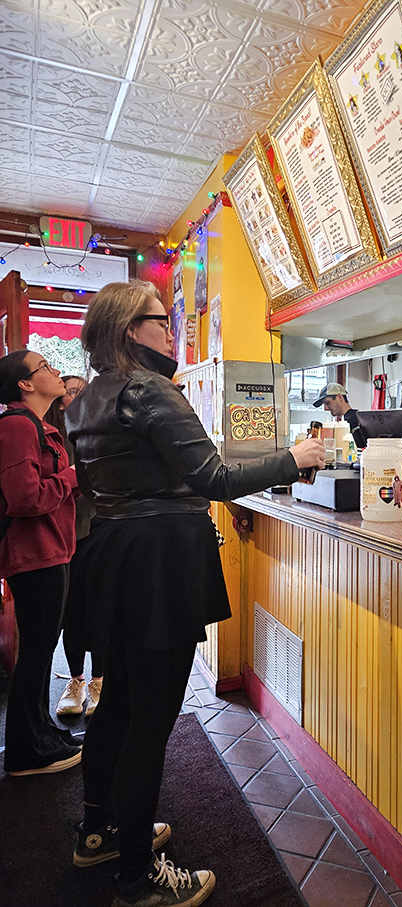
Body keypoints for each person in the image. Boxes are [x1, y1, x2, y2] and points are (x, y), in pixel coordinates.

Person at [65, 280, 324, 907]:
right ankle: (137, 875)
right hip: (161, 560)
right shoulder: (149, 389)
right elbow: (214, 477)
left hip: (113, 552)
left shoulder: (85, 399)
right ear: (132, 328)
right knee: (150, 720)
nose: (169, 332)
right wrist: (296, 455)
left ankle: (99, 830)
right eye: (161, 321)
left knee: (118, 704)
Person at [0, 350, 81, 776]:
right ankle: (25, 753)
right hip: (34, 554)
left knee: (42, 648)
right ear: (25, 384)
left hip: (52, 549)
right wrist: (74, 476)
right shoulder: (16, 425)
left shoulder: (41, 427)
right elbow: (25, 498)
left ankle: (40, 733)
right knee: (35, 651)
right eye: (44, 366)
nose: (54, 370)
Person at [45, 376, 101, 718]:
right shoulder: (50, 433)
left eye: (83, 390)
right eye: (72, 390)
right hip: (67, 534)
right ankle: (76, 681)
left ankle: (99, 680)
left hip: (103, 527)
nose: (78, 396)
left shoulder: (100, 428)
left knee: (106, 608)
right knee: (75, 611)